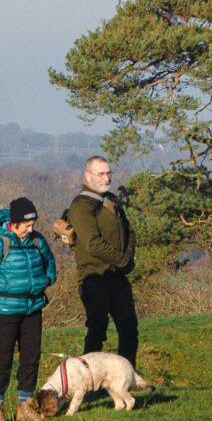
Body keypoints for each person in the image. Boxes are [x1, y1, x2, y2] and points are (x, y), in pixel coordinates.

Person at [0, 196, 57, 421]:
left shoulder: (37, 241)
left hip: (33, 308)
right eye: (26, 226)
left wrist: (47, 280)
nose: (30, 230)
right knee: (2, 360)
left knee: (31, 358)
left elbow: (50, 262)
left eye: (33, 225)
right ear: (14, 223)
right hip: (4, 310)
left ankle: (25, 406)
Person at [68, 156, 138, 364]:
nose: (106, 178)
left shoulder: (111, 200)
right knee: (97, 333)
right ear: (88, 176)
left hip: (118, 278)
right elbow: (93, 244)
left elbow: (129, 231)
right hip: (94, 278)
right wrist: (124, 262)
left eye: (108, 173)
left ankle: (126, 377)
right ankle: (89, 379)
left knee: (129, 330)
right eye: (101, 174)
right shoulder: (80, 206)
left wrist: (126, 259)